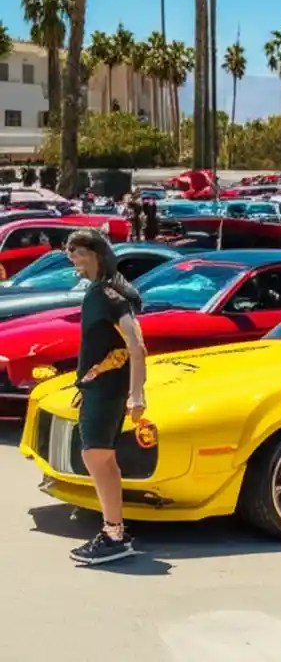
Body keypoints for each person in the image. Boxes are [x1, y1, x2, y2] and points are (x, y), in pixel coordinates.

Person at [64, 229, 148, 565]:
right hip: (101, 386)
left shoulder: (109, 295)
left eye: (79, 255)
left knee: (97, 459)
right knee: (103, 460)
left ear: (96, 254)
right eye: (72, 256)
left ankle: (114, 535)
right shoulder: (104, 291)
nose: (75, 262)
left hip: (107, 391)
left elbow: (137, 345)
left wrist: (137, 394)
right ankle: (116, 531)